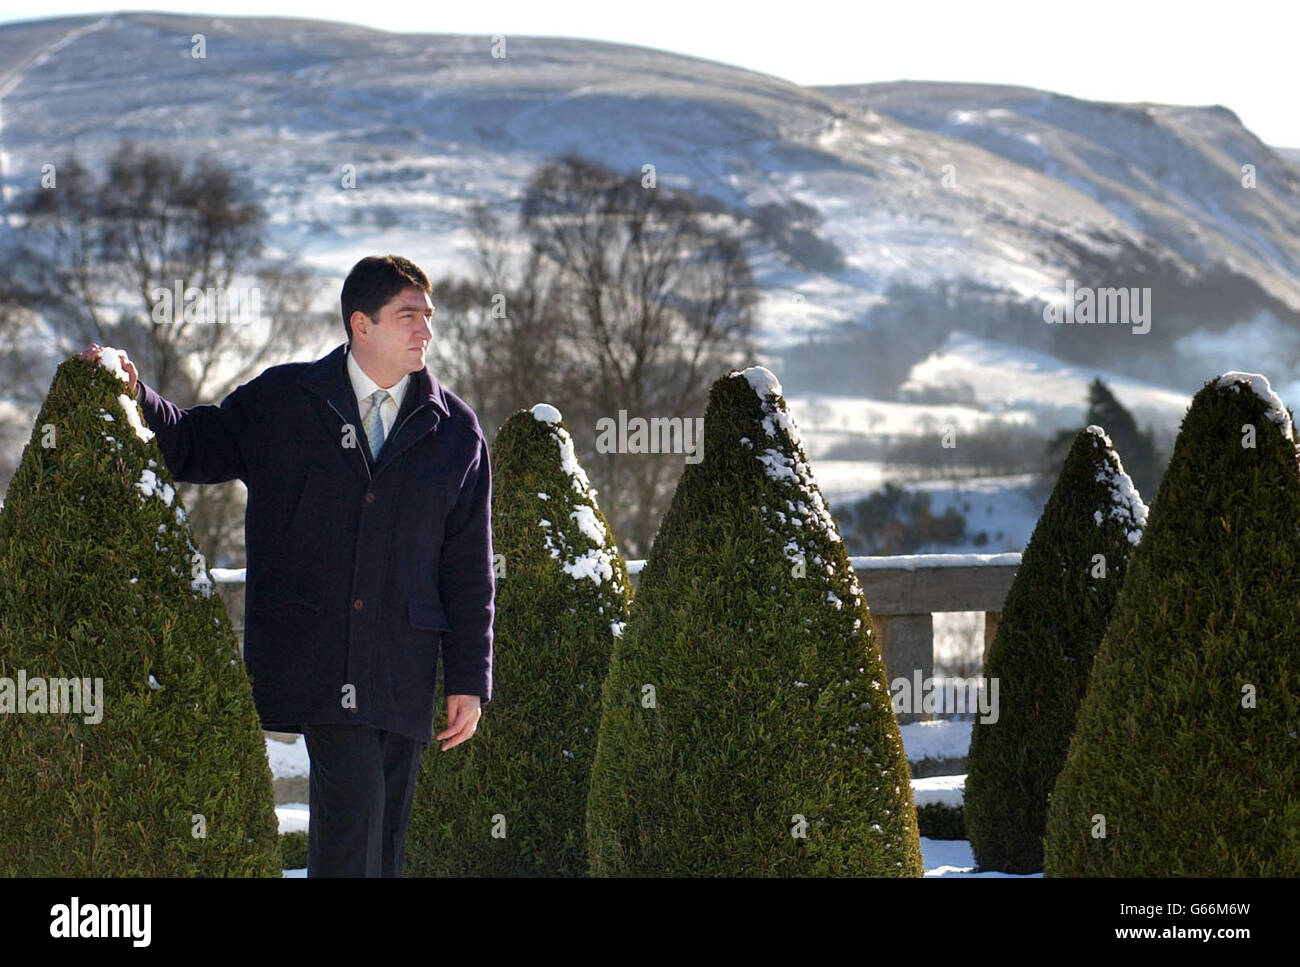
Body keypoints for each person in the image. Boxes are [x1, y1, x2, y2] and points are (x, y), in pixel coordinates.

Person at [79, 255, 495, 877]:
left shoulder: (455, 430)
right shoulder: (285, 400)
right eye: (409, 316)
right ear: (361, 323)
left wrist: (469, 678)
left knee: (385, 831)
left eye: (429, 317)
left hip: (404, 660)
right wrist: (135, 393)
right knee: (356, 811)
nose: (426, 332)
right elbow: (196, 442)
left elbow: (468, 568)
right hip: (317, 652)